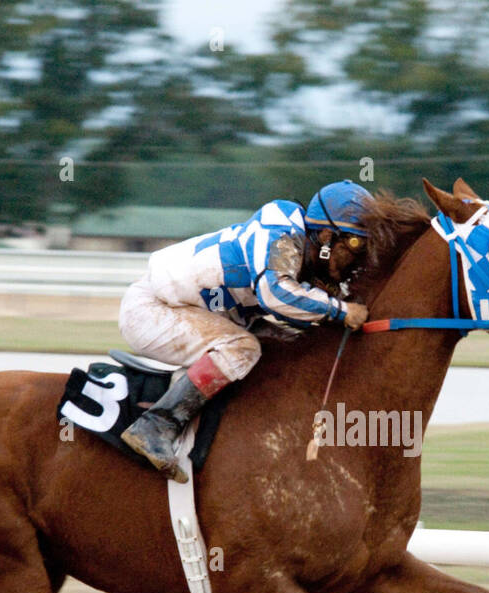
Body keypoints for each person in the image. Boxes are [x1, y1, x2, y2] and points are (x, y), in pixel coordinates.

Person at [117, 180, 374, 481]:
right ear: (328, 236)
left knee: (291, 345)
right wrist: (340, 310)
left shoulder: (302, 247)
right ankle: (156, 425)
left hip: (197, 309)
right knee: (243, 349)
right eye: (356, 246)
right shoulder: (282, 231)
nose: (358, 259)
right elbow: (274, 292)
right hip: (155, 309)